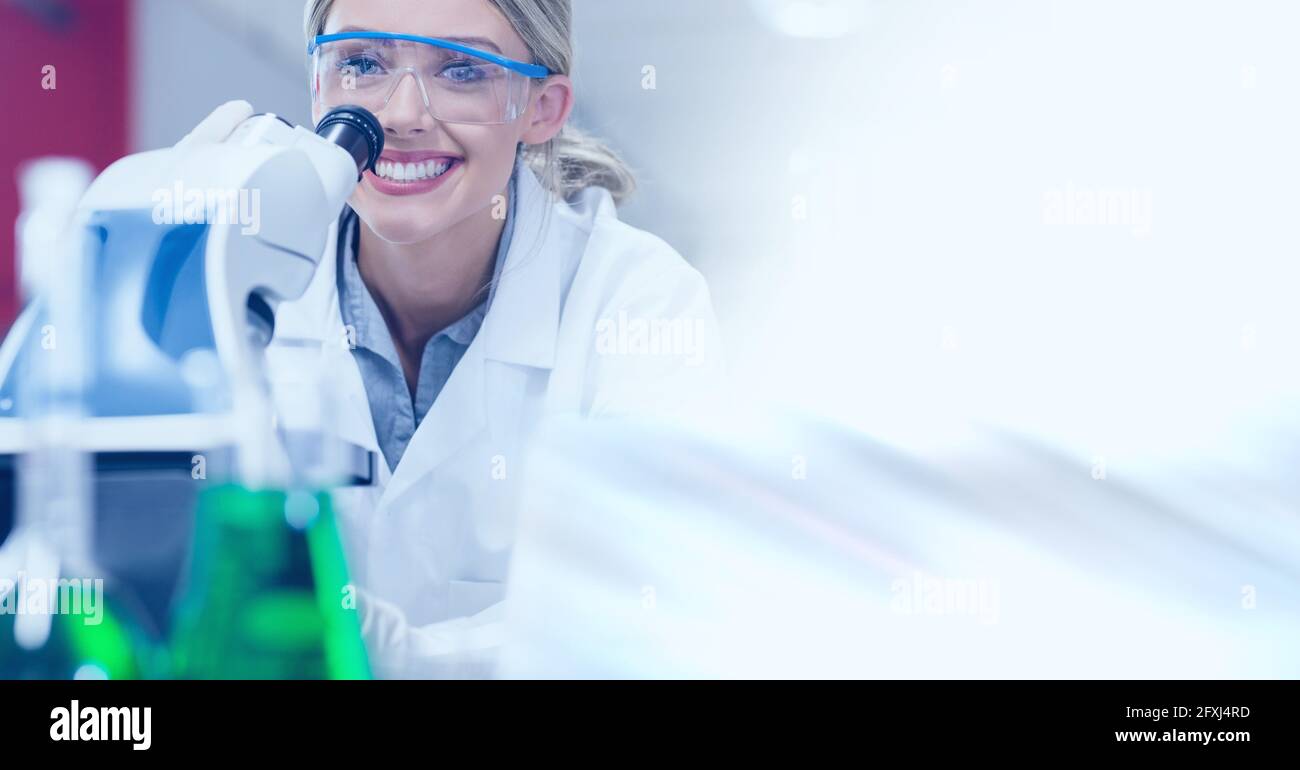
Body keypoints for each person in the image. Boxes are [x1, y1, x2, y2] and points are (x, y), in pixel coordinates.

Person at [186, 0, 722, 678]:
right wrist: (154, 261)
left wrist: (341, 631)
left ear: (543, 109)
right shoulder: (234, 279)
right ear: (319, 83)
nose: (402, 115)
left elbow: (632, 619)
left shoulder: (636, 301)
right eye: (363, 63)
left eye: (463, 70)